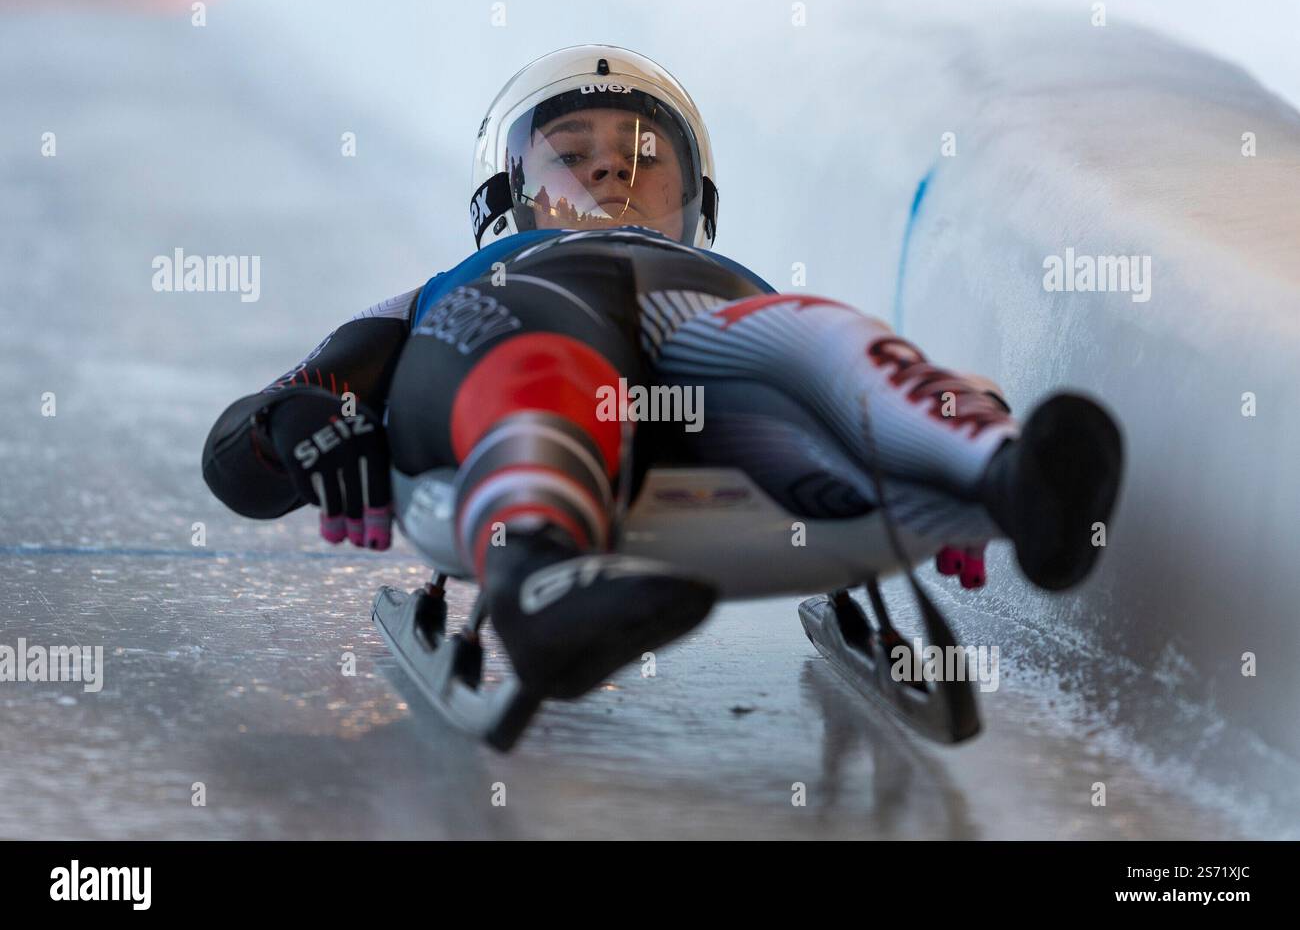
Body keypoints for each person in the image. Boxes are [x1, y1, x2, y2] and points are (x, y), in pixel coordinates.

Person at [202, 45, 1122, 703]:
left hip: (708, 362)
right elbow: (246, 444)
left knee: (809, 332)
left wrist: (965, 410)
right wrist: (289, 427)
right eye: (571, 149)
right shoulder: (440, 295)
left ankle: (1001, 473)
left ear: (693, 197)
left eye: (643, 153)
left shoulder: (731, 284)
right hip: (522, 322)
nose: (610, 163)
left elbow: (825, 365)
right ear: (505, 194)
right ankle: (542, 581)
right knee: (544, 358)